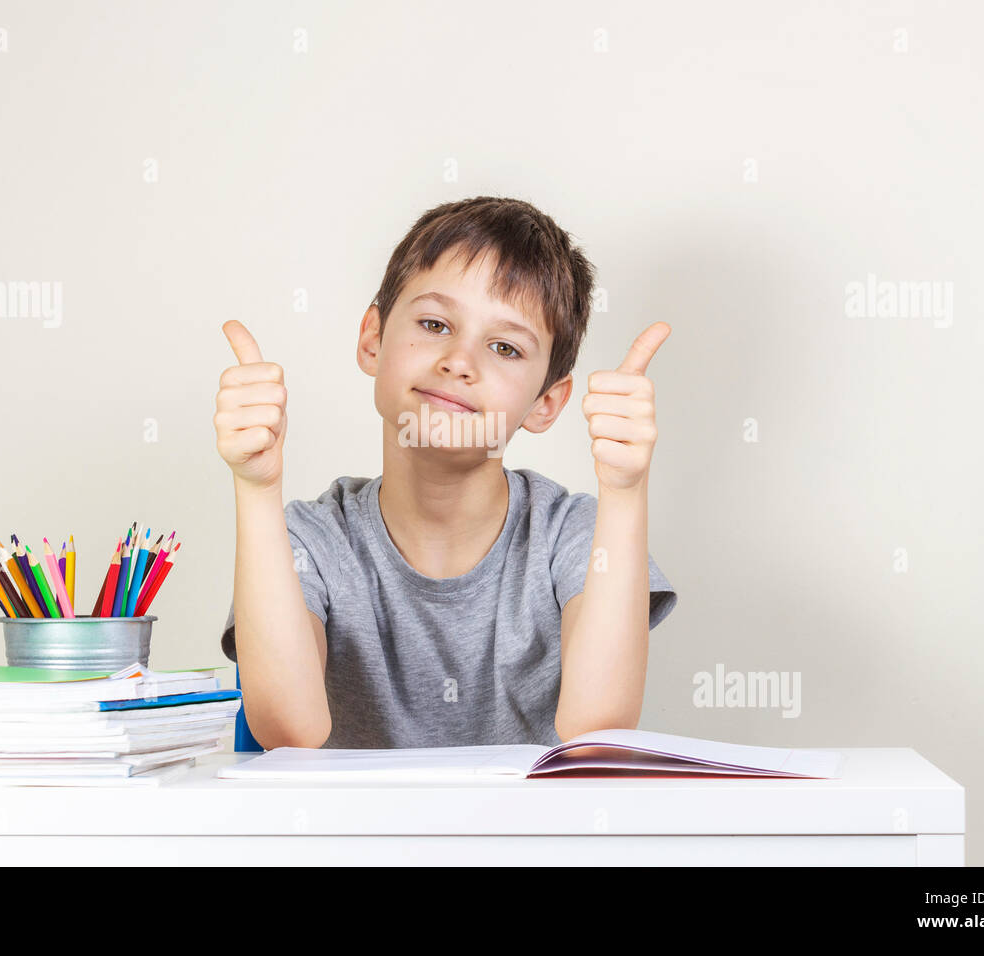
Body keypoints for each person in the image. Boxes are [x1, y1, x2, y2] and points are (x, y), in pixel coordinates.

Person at [214, 196, 676, 750]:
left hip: (526, 840)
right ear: (372, 338)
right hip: (353, 840)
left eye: (505, 347)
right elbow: (289, 731)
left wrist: (625, 492)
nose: (460, 361)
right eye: (435, 324)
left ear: (547, 402)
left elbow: (596, 731)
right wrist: (256, 488)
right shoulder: (311, 541)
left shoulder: (575, 536)